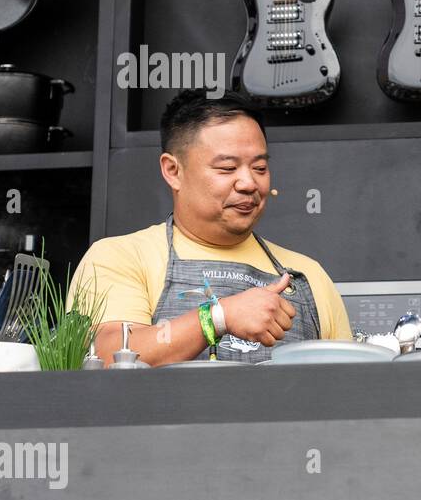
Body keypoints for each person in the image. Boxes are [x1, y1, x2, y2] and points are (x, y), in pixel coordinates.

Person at [69, 88, 351, 364]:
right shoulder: (121, 257)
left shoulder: (308, 276)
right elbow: (109, 354)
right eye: (227, 168)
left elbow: (347, 386)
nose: (249, 183)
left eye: (260, 168)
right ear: (173, 171)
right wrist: (218, 317)